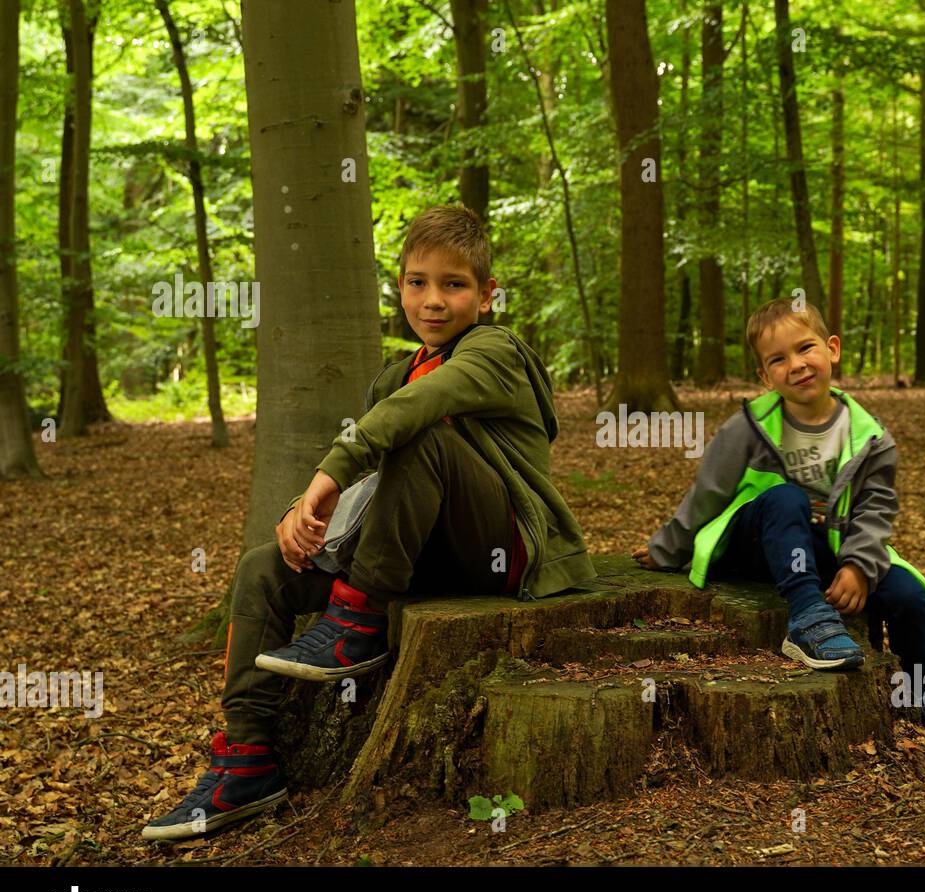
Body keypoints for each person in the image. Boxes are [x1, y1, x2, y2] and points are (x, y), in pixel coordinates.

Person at [143, 205, 596, 841]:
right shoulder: (396, 372)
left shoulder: (495, 351)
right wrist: (300, 516)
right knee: (264, 568)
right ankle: (246, 760)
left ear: (488, 295)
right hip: (418, 545)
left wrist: (325, 475)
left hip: (506, 548)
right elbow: (372, 474)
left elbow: (417, 413)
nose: (432, 300)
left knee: (419, 436)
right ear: (401, 286)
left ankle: (357, 623)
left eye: (454, 283)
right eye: (417, 282)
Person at [633, 296, 925, 745]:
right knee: (785, 496)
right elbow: (707, 492)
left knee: (910, 596)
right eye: (778, 359)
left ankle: (917, 691)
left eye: (805, 348)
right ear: (764, 376)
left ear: (832, 349)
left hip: (826, 546)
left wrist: (858, 567)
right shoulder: (748, 427)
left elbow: (875, 510)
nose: (796, 364)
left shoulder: (871, 437)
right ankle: (809, 619)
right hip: (755, 543)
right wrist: (666, 548)